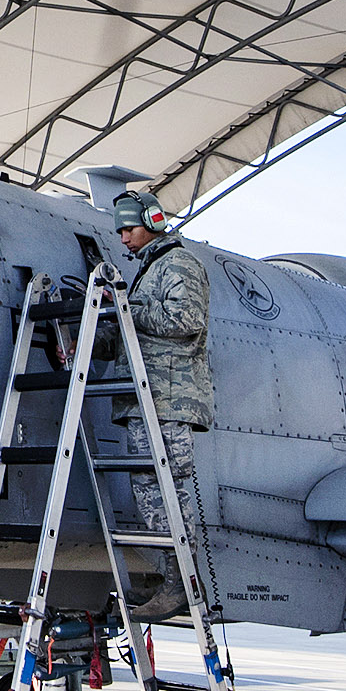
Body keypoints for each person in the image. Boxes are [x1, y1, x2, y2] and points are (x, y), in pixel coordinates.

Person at [111, 192, 210, 611]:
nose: (124, 239)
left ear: (152, 221)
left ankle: (183, 582)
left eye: (129, 229)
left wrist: (126, 308)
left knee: (166, 491)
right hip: (147, 399)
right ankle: (170, 578)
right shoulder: (150, 271)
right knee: (150, 493)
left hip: (169, 399)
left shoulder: (178, 265)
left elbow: (185, 320)